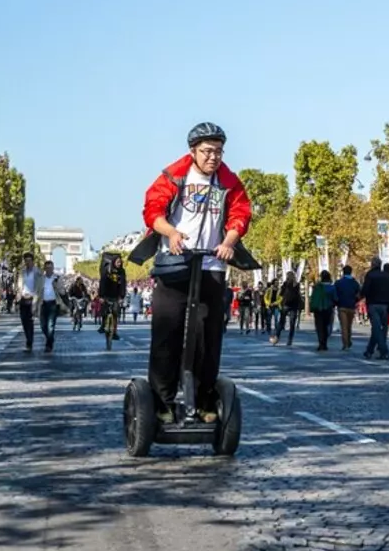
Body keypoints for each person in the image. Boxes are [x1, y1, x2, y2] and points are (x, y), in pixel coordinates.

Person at [128, 122, 252, 424]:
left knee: (208, 337)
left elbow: (240, 214)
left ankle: (205, 398)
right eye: (207, 151)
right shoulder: (174, 175)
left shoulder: (228, 181)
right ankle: (162, 402)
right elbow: (152, 209)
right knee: (167, 335)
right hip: (174, 265)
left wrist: (228, 242)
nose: (213, 158)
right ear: (193, 151)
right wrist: (170, 233)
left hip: (211, 264)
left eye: (218, 152)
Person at [360, 257, 389, 360]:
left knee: (376, 328)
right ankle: (369, 351)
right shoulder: (386, 276)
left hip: (373, 304)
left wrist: (359, 297)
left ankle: (384, 351)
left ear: (372, 264)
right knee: (382, 329)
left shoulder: (370, 275)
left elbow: (365, 290)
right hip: (385, 305)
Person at [99, 255, 127, 343]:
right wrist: (101, 296)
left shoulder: (122, 271)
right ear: (114, 262)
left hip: (116, 295)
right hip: (106, 294)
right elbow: (102, 283)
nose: (119, 263)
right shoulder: (107, 270)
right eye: (118, 262)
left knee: (115, 314)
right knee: (104, 311)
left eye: (120, 262)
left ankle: (114, 332)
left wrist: (122, 297)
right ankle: (103, 325)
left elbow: (123, 284)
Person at [17, 252, 41, 352]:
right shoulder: (22, 272)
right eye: (26, 261)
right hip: (23, 298)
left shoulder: (37, 272)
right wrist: (18, 295)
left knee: (29, 322)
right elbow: (19, 285)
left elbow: (40, 286)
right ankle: (28, 339)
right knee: (23, 321)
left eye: (29, 261)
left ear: (33, 261)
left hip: (32, 299)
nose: (27, 263)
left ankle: (29, 342)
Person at [333, 266, 361, 350]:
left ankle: (345, 343)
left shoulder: (338, 283)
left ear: (343, 272)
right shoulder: (355, 283)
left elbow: (335, 295)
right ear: (351, 272)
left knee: (344, 326)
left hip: (341, 306)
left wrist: (336, 303)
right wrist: (355, 301)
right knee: (349, 325)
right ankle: (348, 340)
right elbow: (359, 294)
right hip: (351, 306)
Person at [309, 270, 337, 351]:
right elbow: (335, 298)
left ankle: (321, 343)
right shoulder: (332, 288)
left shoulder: (317, 287)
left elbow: (313, 298)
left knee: (319, 326)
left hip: (318, 309)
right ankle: (324, 343)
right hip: (328, 309)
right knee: (326, 326)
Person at [272, 271, 302, 345]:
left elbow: (281, 294)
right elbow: (298, 296)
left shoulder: (285, 284)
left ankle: (276, 337)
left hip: (286, 304)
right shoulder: (297, 284)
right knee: (292, 323)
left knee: (281, 322)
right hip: (294, 305)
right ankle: (290, 340)